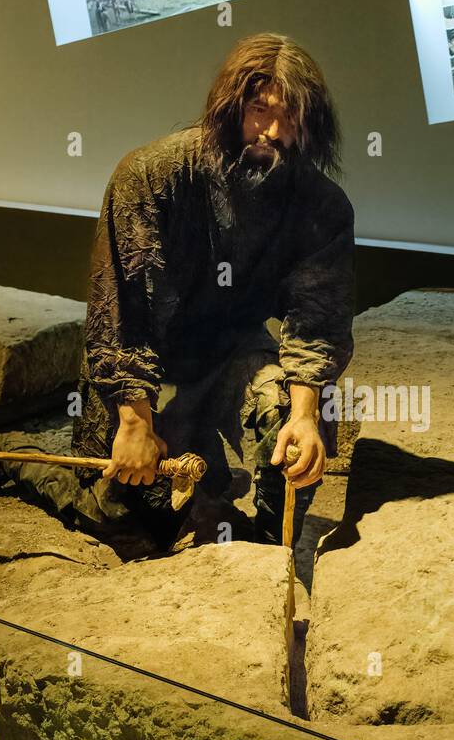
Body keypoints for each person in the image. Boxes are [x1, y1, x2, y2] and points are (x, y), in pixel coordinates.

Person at [65, 32, 355, 552]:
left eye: (287, 117)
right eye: (257, 110)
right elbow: (124, 309)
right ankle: (17, 462)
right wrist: (133, 420)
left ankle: (271, 553)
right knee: (125, 520)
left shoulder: (321, 205)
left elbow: (316, 322)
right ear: (229, 106)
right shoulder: (151, 176)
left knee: (290, 436)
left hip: (231, 353)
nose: (269, 130)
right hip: (149, 359)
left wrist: (306, 417)